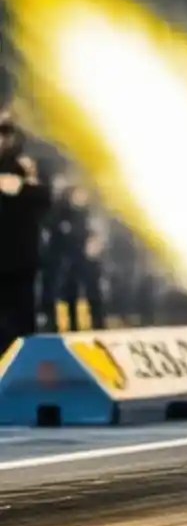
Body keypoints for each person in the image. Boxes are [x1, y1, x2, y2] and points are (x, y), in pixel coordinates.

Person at [0, 110, 52, 354]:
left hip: (21, 259)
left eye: (5, 133)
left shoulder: (24, 166)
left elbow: (45, 201)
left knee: (22, 323)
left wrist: (25, 185)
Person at [45, 180, 105, 331]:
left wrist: (95, 243)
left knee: (92, 292)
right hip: (69, 259)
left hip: (88, 259)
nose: (81, 197)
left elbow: (97, 234)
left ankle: (98, 323)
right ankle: (71, 325)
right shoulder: (61, 215)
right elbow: (56, 235)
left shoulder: (89, 214)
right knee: (69, 292)